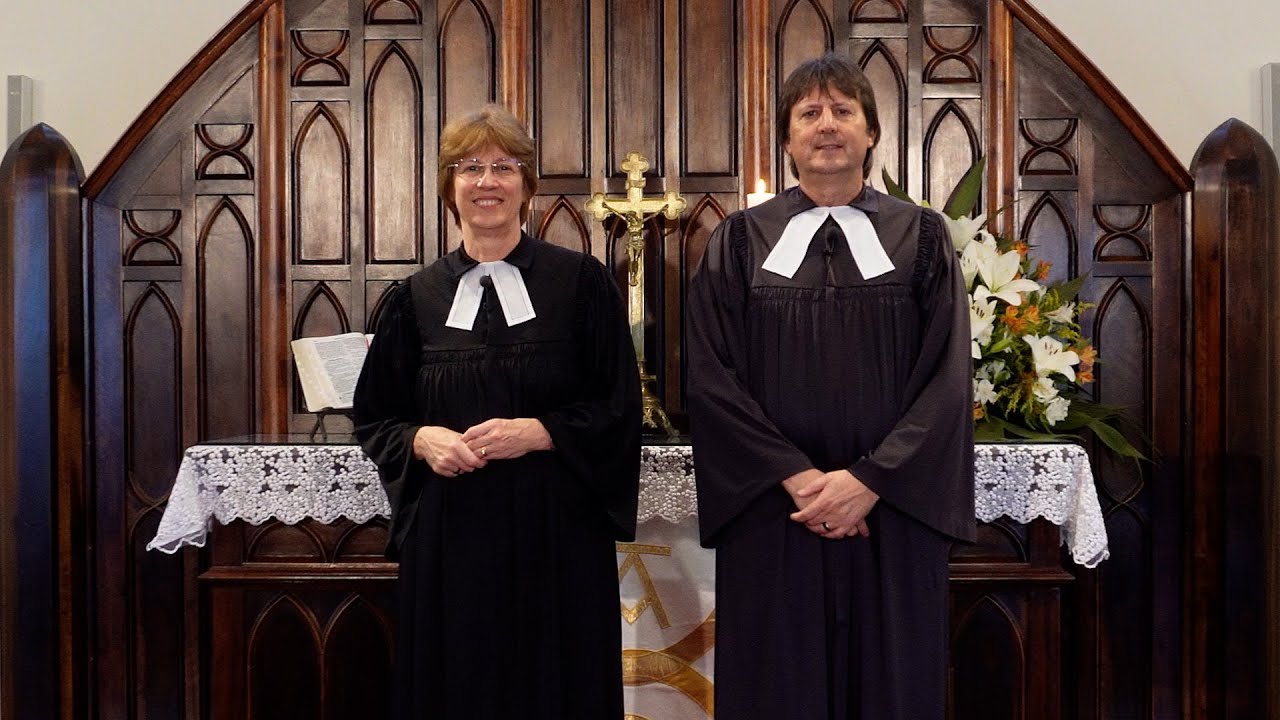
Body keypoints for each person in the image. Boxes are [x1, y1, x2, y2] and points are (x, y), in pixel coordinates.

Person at [686, 53, 975, 719]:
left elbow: (947, 379)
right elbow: (711, 378)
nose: (827, 125)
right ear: (786, 141)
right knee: (776, 690)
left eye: (843, 111)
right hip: (776, 510)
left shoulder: (922, 237)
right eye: (809, 113)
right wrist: (797, 477)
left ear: (871, 133)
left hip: (891, 512)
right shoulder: (739, 242)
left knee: (892, 688)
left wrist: (869, 481)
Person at [353, 104, 641, 719]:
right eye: (470, 167)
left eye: (504, 167)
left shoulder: (581, 283)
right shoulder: (414, 299)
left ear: (527, 185)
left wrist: (542, 432)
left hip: (556, 533)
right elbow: (376, 417)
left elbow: (619, 406)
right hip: (452, 535)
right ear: (449, 188)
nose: (487, 182)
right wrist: (423, 439)